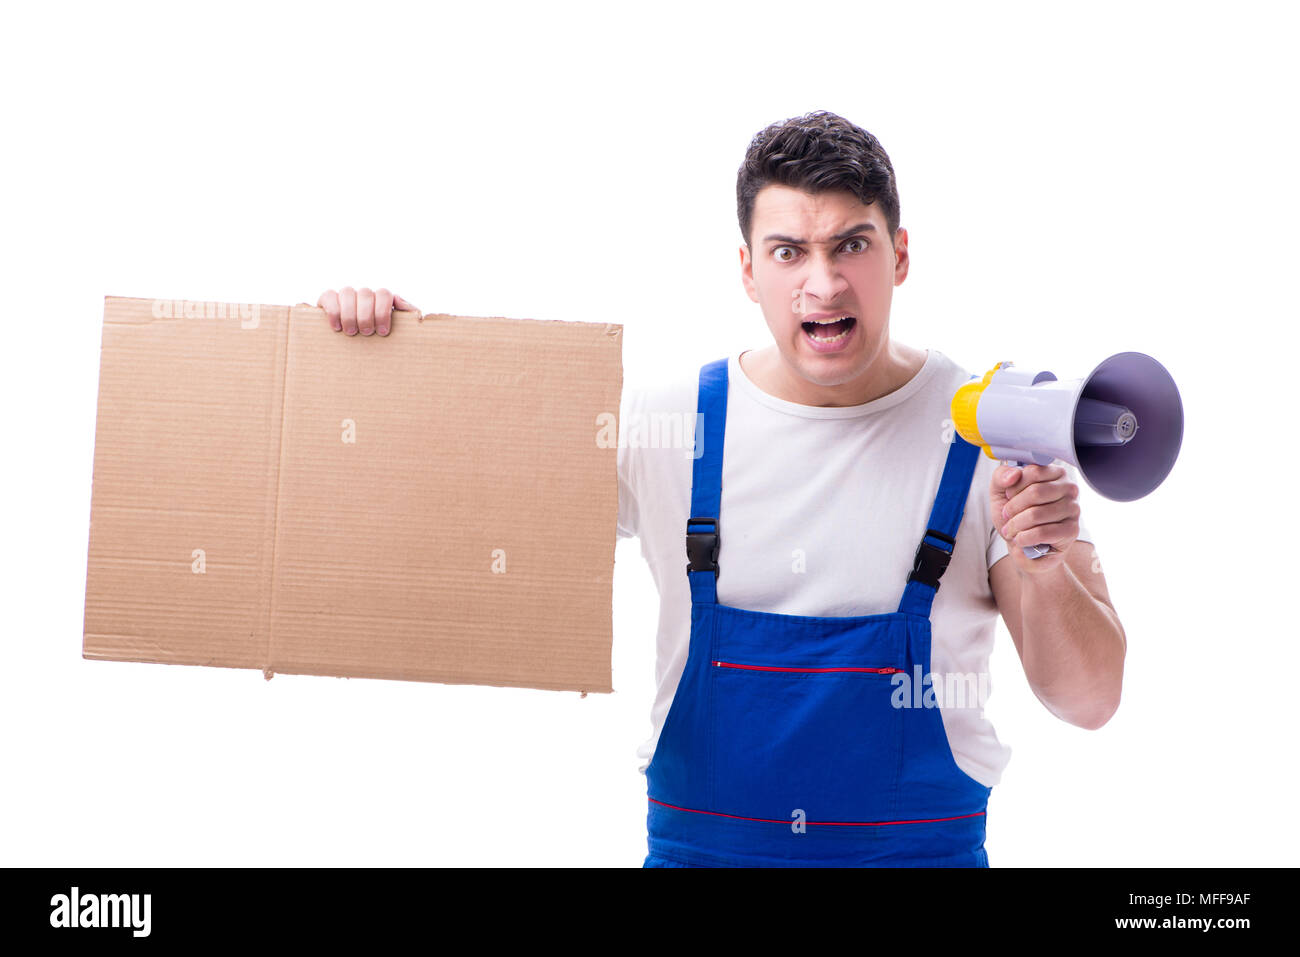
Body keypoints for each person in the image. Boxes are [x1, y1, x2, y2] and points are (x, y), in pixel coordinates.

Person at [314, 110, 1126, 868]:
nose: (824, 284)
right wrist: (392, 368)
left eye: (851, 245)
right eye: (788, 252)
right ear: (747, 270)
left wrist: (1045, 559)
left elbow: (1089, 701)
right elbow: (460, 518)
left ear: (900, 254)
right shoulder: (668, 425)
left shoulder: (989, 438)